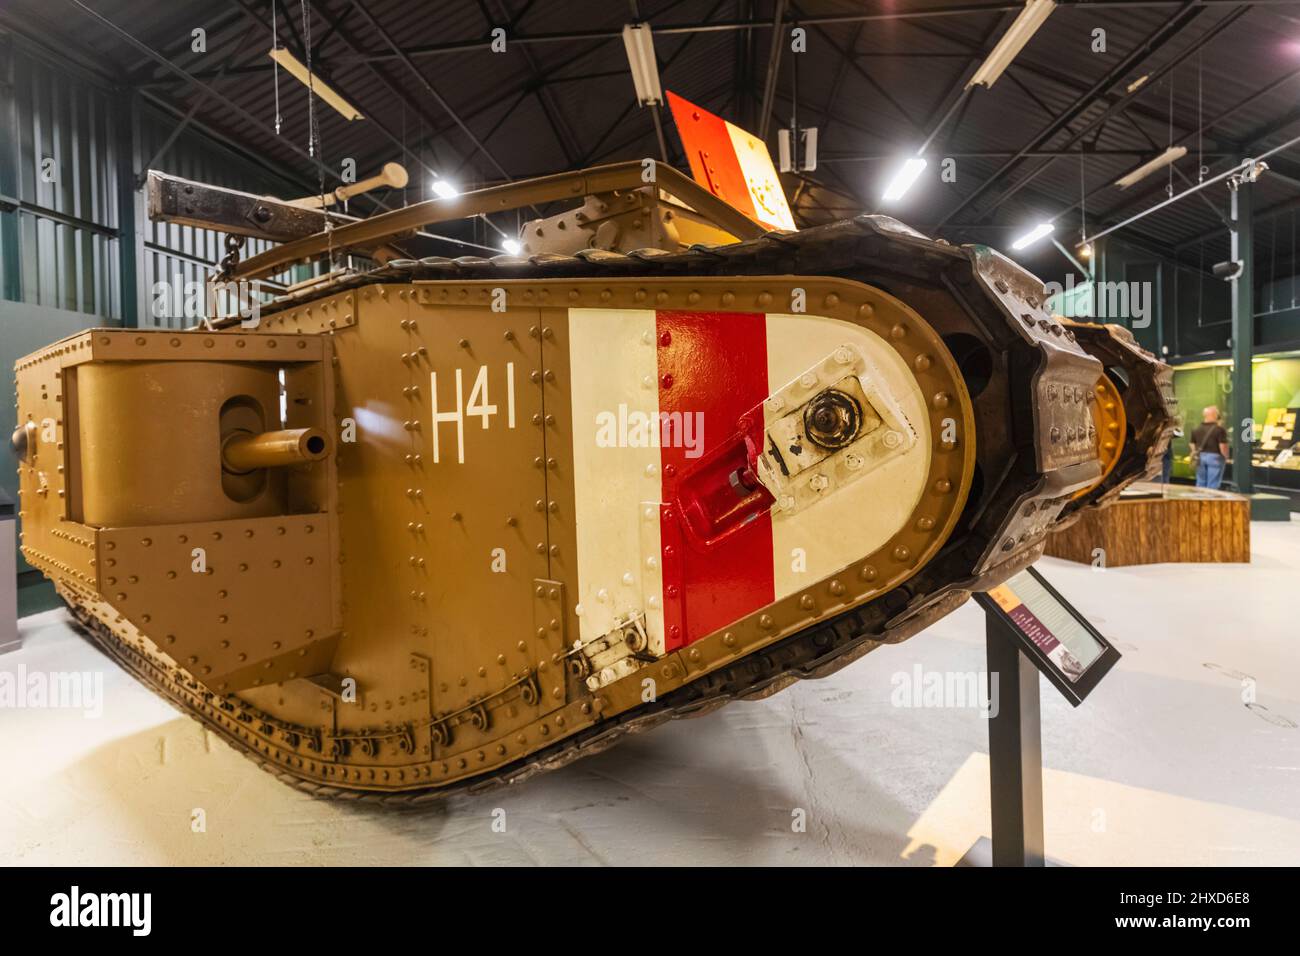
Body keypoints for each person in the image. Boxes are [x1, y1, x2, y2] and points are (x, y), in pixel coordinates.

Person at [1190, 406, 1230, 489]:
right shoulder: (1219, 430)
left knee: (1200, 482)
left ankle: (1200, 500)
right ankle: (1210, 501)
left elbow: (1192, 444)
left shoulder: (1196, 429)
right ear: (1215, 415)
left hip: (1200, 457)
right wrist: (1226, 456)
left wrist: (1195, 453)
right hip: (1215, 458)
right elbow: (1223, 446)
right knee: (1213, 484)